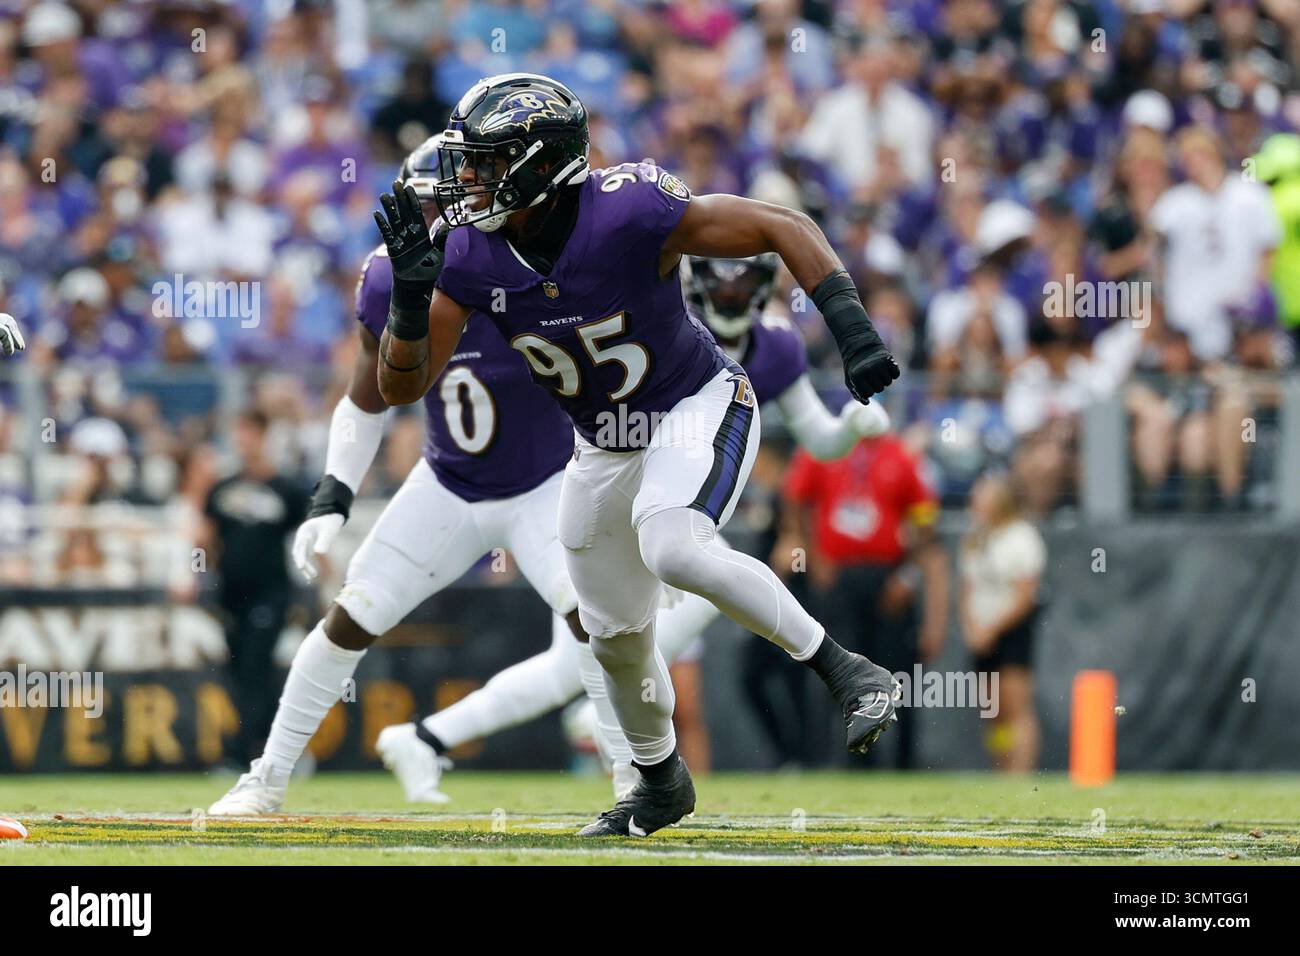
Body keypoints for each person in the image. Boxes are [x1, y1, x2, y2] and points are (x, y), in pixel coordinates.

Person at [374, 73, 902, 837]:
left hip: (695, 404)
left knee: (672, 544)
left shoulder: (626, 209)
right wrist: (408, 308)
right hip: (602, 443)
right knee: (612, 635)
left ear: (538, 166)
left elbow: (780, 224)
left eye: (487, 163)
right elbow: (404, 387)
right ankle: (660, 784)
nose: (467, 181)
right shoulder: (469, 255)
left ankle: (848, 670)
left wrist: (851, 331)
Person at [380, 252, 890, 801]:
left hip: (682, 491)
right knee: (590, 652)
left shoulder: (772, 346)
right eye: (722, 282)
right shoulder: (655, 307)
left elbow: (818, 436)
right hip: (607, 470)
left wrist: (851, 427)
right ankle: (437, 738)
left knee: (675, 559)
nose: (732, 295)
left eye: (744, 283)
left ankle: (833, 673)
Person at [781, 417, 949, 769]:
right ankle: (852, 759)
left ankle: (905, 762)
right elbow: (795, 498)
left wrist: (907, 576)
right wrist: (814, 557)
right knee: (840, 667)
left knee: (900, 670)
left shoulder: (900, 456)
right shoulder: (825, 450)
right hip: (840, 577)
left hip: (887, 579)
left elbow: (924, 524)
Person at [200, 410, 309, 767]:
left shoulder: (286, 489)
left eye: (249, 433)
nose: (242, 441)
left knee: (254, 668)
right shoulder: (222, 488)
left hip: (271, 593)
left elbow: (306, 536)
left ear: (263, 436)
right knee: (239, 672)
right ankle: (271, 751)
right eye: (239, 433)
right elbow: (207, 539)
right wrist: (199, 573)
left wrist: (322, 580)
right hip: (231, 595)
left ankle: (244, 753)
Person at [958, 472, 1045, 772]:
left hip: (1010, 631)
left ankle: (1019, 775)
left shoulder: (1021, 536)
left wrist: (992, 628)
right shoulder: (977, 538)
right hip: (982, 633)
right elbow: (968, 590)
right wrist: (973, 628)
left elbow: (1025, 596)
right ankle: (1002, 770)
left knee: (1016, 708)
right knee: (993, 711)